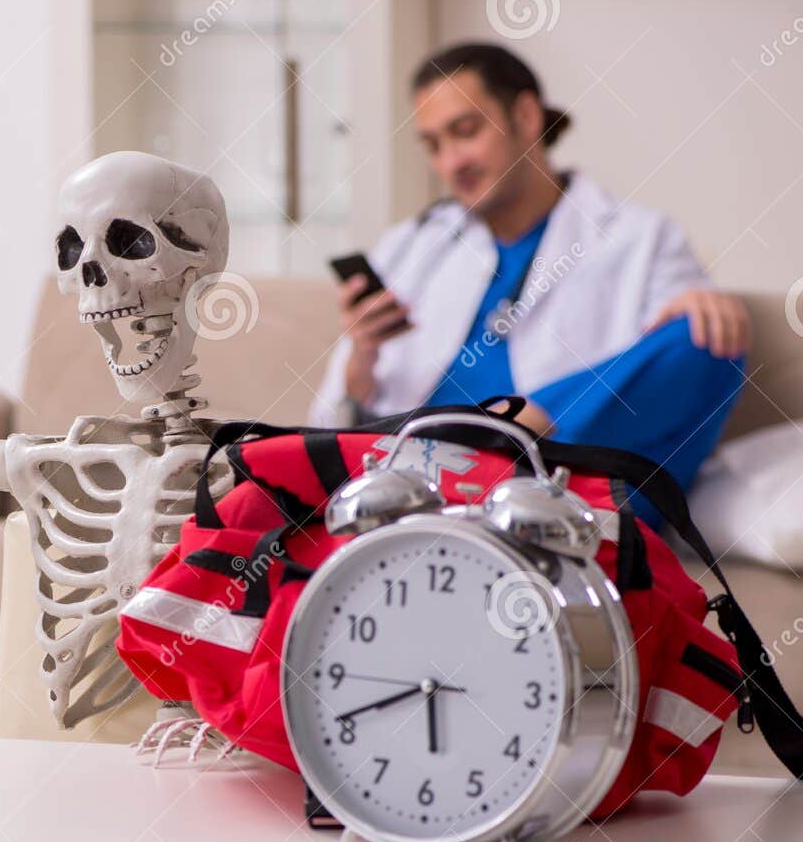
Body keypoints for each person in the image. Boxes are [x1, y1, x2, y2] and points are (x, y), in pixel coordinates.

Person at [308, 42, 749, 524]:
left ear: (526, 115)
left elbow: (667, 375)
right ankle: (507, 447)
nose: (451, 162)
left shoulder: (641, 237)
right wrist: (362, 361)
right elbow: (328, 423)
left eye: (466, 132)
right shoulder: (409, 246)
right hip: (415, 488)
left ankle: (521, 439)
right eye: (433, 145)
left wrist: (698, 306)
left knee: (709, 338)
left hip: (562, 486)